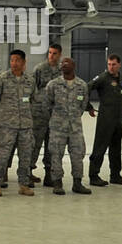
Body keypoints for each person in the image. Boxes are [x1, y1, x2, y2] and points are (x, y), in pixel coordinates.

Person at [0, 49, 38, 196]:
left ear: (24, 62)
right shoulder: (2, 79)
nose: (14, 63)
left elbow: (34, 100)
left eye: (17, 60)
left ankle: (24, 184)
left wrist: (29, 116)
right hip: (6, 125)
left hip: (25, 126)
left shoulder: (30, 81)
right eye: (12, 60)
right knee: (2, 155)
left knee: (26, 156)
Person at [44, 57, 94, 195]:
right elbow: (47, 105)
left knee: (78, 155)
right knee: (56, 155)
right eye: (62, 63)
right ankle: (57, 183)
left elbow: (83, 105)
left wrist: (74, 116)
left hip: (75, 128)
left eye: (67, 63)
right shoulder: (53, 85)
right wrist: (56, 119)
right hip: (57, 127)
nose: (64, 65)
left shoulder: (82, 85)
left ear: (74, 66)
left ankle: (77, 183)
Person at [86, 54, 122, 186]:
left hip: (118, 118)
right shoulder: (103, 78)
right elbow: (87, 87)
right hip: (105, 118)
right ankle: (94, 175)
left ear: (119, 65)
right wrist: (88, 107)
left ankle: (115, 175)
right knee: (100, 146)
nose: (111, 67)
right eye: (109, 64)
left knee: (116, 148)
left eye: (114, 64)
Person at [30, 43, 63, 183]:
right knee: (35, 143)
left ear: (60, 54)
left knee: (52, 145)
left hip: (55, 114)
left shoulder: (62, 70)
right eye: (50, 53)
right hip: (40, 113)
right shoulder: (40, 69)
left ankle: (49, 174)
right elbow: (32, 89)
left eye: (54, 53)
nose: (51, 56)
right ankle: (28, 171)